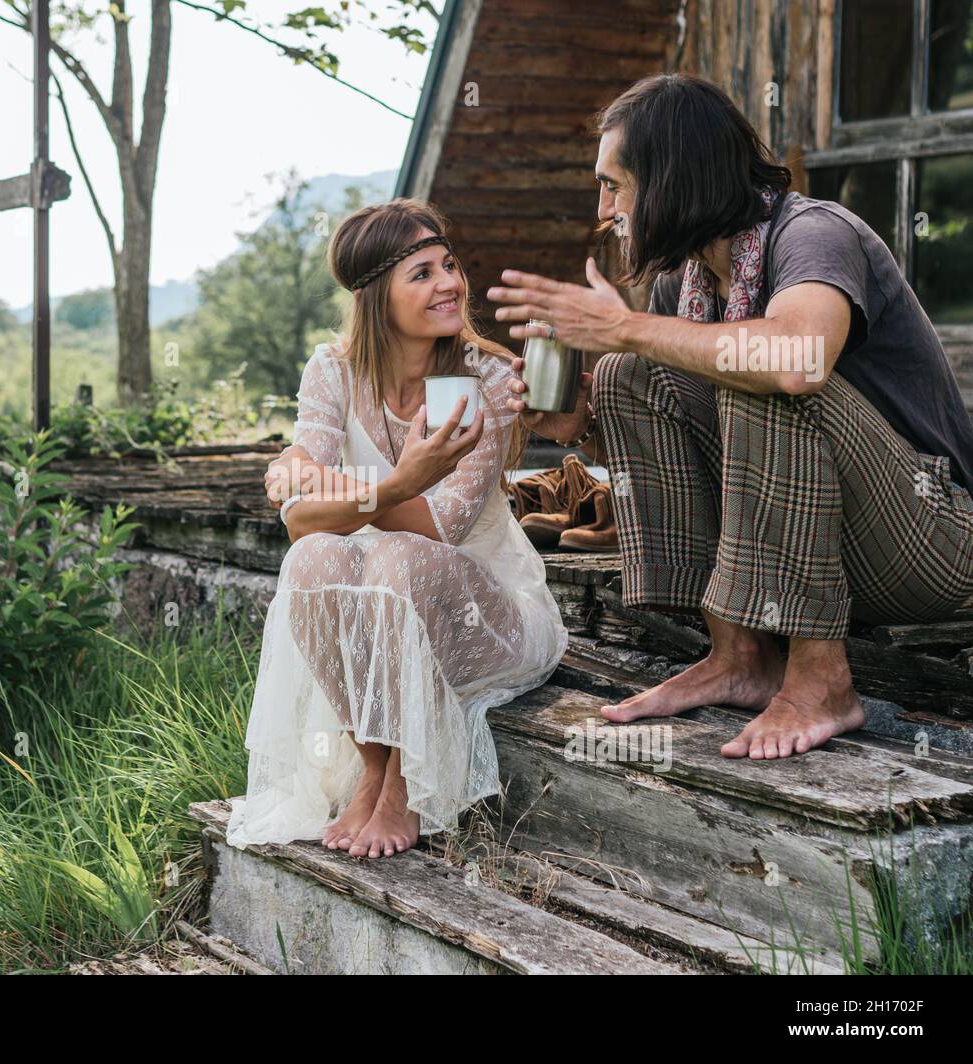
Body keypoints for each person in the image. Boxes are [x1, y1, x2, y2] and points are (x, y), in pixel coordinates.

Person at [489, 73, 973, 760]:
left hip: (933, 543)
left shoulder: (813, 233)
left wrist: (625, 328)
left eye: (613, 184)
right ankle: (740, 651)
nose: (603, 209)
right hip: (818, 550)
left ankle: (821, 679)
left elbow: (795, 361)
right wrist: (578, 425)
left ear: (672, 178)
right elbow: (676, 407)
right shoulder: (678, 280)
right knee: (629, 376)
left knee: (757, 369)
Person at [224, 198, 569, 858]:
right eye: (422, 273)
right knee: (316, 560)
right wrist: (391, 484)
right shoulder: (333, 372)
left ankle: (408, 784)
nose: (449, 284)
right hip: (379, 630)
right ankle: (375, 769)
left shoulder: (487, 378)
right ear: (376, 296)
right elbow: (300, 522)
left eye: (449, 265)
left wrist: (355, 490)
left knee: (396, 557)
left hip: (488, 618)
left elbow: (442, 528)